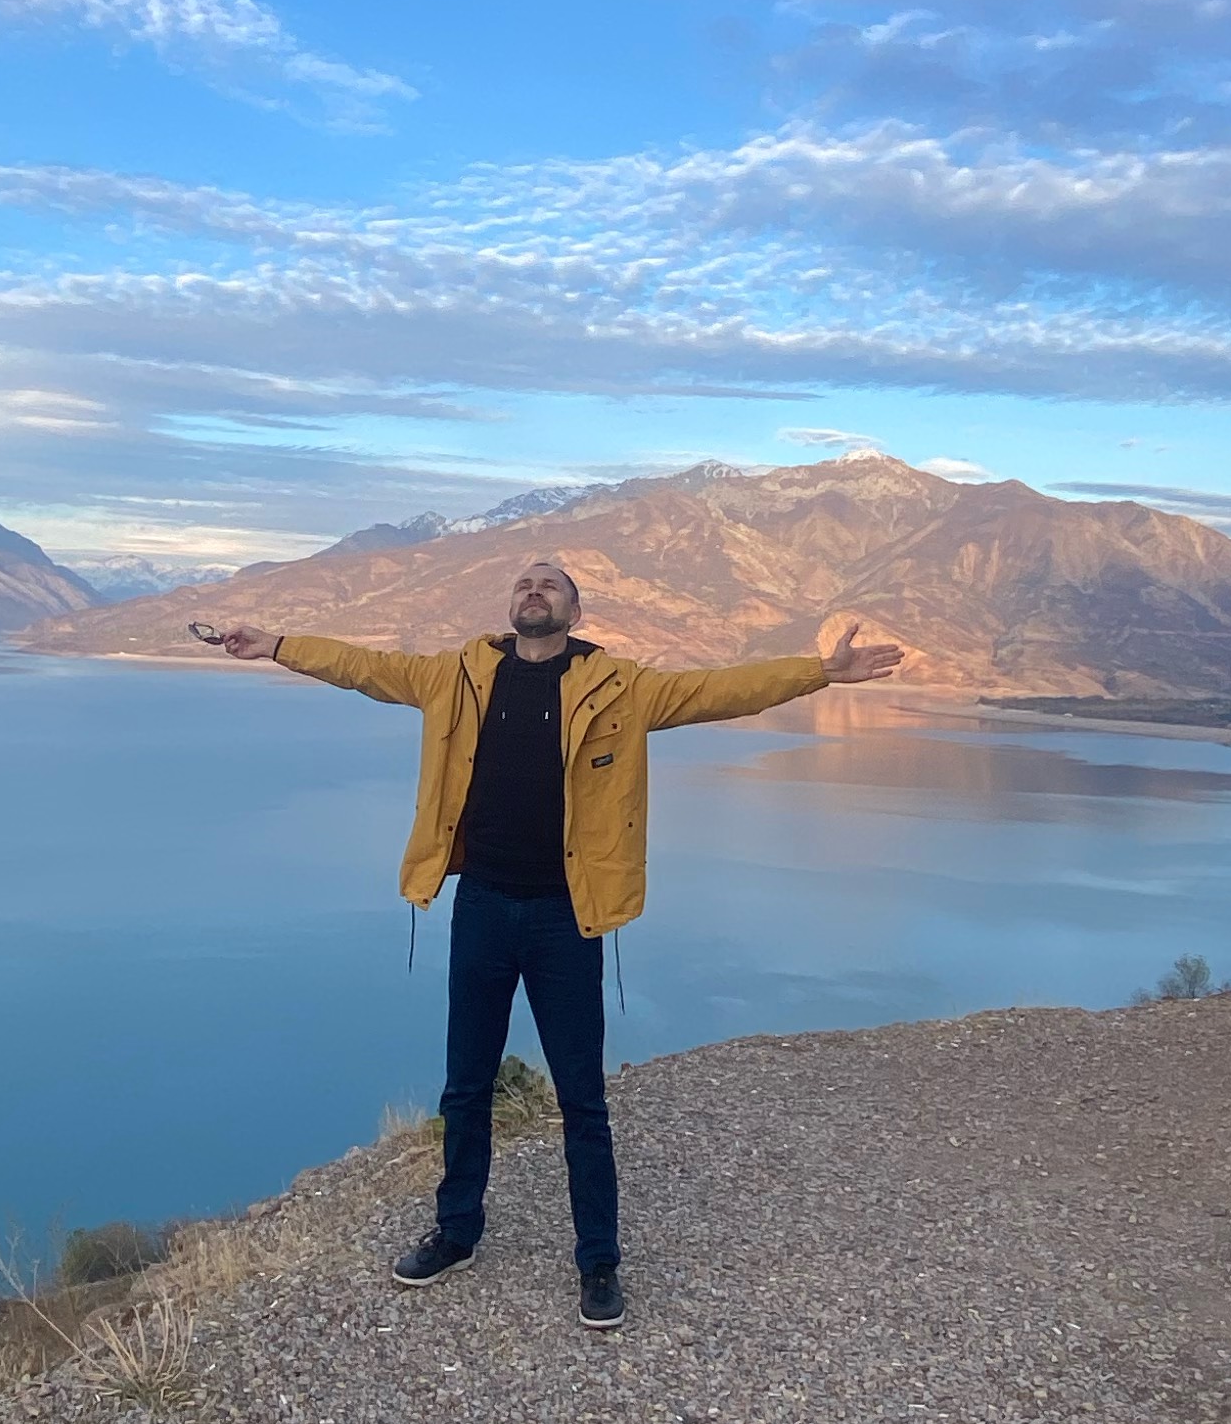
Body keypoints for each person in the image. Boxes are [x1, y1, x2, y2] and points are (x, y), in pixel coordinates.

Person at [198, 559, 905, 1329]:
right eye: (524, 584)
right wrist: (276, 644)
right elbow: (362, 667)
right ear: (511, 605)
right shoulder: (456, 676)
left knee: (581, 1097)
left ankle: (598, 1261)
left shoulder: (619, 687)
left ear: (575, 609)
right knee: (466, 1086)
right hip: (482, 905)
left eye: (551, 585)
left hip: (567, 916)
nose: (534, 591)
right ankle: (456, 1232)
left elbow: (720, 689)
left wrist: (820, 673)